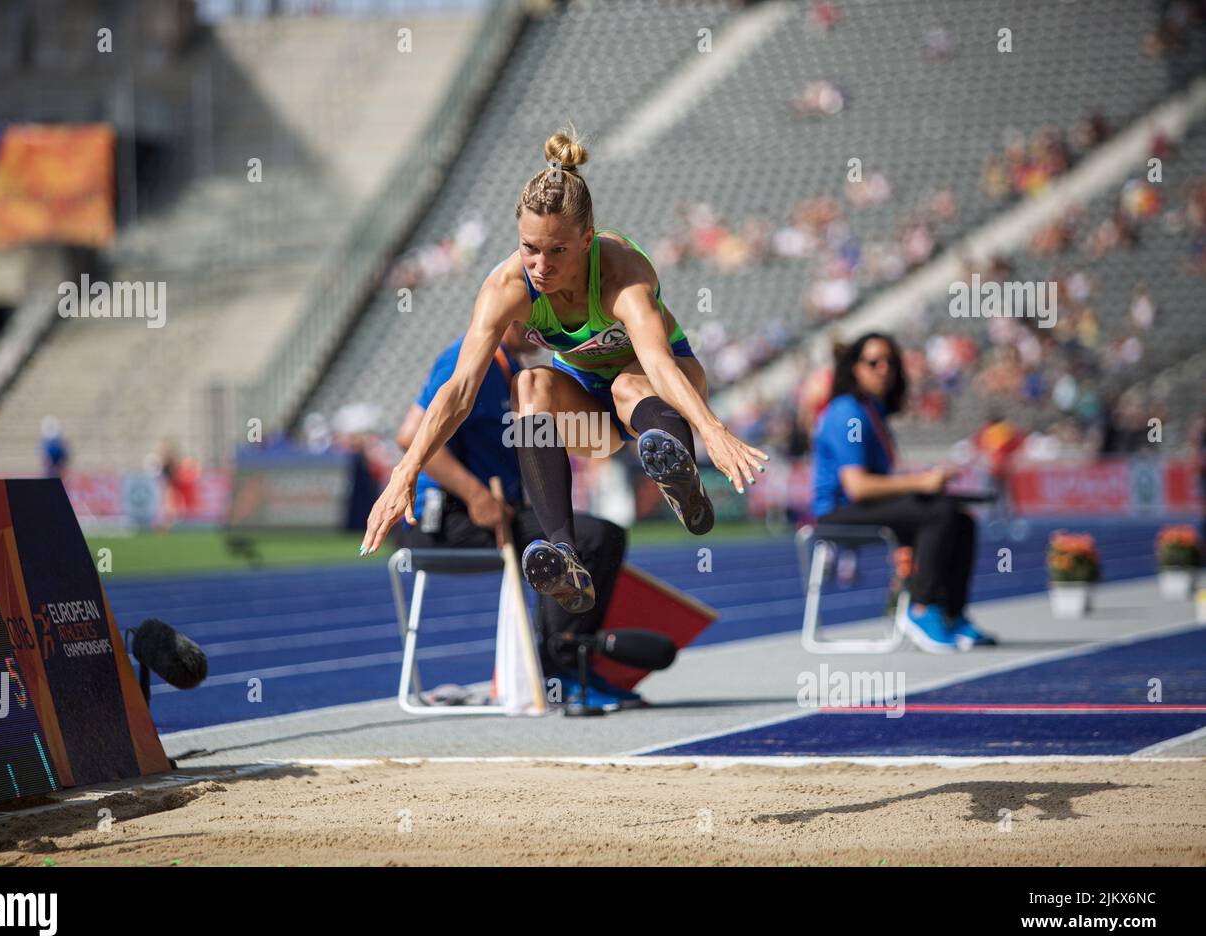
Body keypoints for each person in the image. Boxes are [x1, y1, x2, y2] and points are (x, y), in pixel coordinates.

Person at [359, 123, 769, 613]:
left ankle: (681, 478)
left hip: (662, 391)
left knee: (626, 384)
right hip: (593, 421)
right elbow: (460, 387)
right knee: (529, 382)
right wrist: (406, 470)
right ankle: (563, 552)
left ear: (588, 240)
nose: (541, 266)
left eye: (557, 251)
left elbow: (658, 361)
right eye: (530, 248)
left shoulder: (621, 272)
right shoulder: (507, 286)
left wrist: (712, 429)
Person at [393, 319, 637, 707]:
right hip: (444, 519)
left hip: (501, 511)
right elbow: (412, 436)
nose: (542, 328)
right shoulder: (470, 357)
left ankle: (563, 665)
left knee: (591, 536)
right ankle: (558, 670)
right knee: (591, 539)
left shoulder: (519, 372)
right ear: (505, 314)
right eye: (532, 318)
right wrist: (475, 494)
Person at [810, 332, 995, 652]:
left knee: (961, 519)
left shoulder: (872, 411)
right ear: (854, 368)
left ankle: (952, 613)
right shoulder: (847, 413)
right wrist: (921, 483)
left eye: (891, 363)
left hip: (864, 507)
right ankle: (922, 609)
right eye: (874, 362)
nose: (884, 369)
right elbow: (858, 486)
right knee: (939, 512)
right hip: (837, 513)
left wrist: (924, 484)